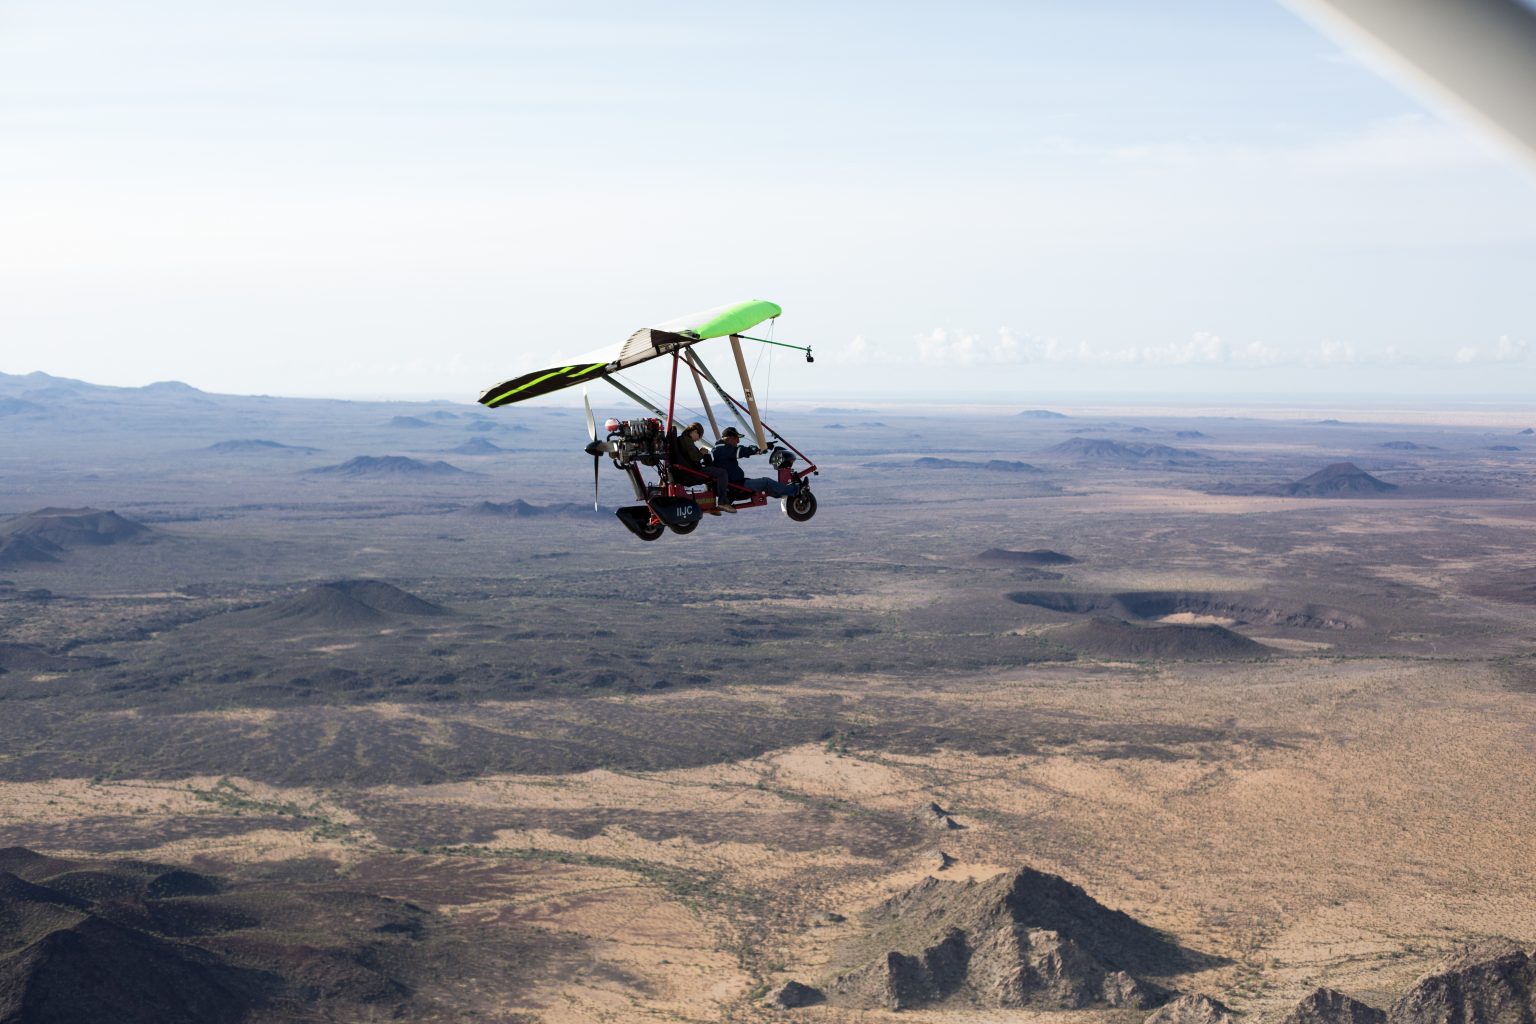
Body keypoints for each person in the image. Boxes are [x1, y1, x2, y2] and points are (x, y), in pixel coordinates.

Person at [712, 426, 801, 499]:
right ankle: (796, 490)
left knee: (765, 486)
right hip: (735, 487)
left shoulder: (719, 449)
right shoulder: (724, 450)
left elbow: (742, 450)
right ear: (729, 438)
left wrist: (761, 448)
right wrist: (762, 447)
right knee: (766, 482)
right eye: (736, 438)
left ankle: (785, 493)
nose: (738, 441)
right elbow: (742, 451)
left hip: (734, 484)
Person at [674, 422, 734, 512]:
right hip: (692, 472)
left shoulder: (681, 439)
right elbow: (695, 458)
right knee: (722, 473)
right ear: (694, 431)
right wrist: (702, 452)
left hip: (686, 471)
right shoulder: (687, 441)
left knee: (712, 469)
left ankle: (710, 500)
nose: (698, 439)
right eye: (699, 436)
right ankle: (723, 502)